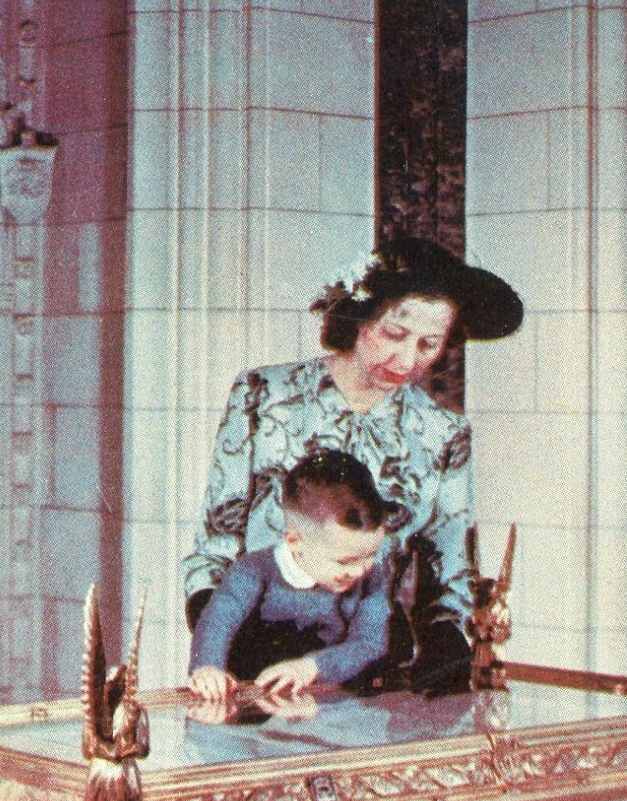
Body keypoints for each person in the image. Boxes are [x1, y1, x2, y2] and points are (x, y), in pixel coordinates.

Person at [182, 236, 523, 693]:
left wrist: (445, 639)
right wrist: (219, 636)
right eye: (394, 335)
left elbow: (451, 564)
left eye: (429, 343)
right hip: (254, 659)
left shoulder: (443, 432)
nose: (406, 361)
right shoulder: (263, 395)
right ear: (358, 318)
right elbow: (217, 536)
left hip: (373, 668)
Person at [189, 449, 391, 699]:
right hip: (256, 704)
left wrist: (313, 668)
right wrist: (208, 667)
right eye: (344, 561)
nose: (360, 570)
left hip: (327, 704)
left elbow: (370, 644)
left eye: (369, 555)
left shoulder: (371, 580)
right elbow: (217, 621)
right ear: (295, 541)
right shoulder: (255, 570)